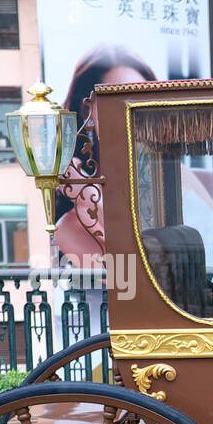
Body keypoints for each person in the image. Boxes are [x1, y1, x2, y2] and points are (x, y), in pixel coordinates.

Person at [53, 46, 157, 267]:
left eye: (144, 99)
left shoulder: (188, 183)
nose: (133, 113)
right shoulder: (71, 226)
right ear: (87, 113)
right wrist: (90, 199)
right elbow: (132, 276)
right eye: (118, 103)